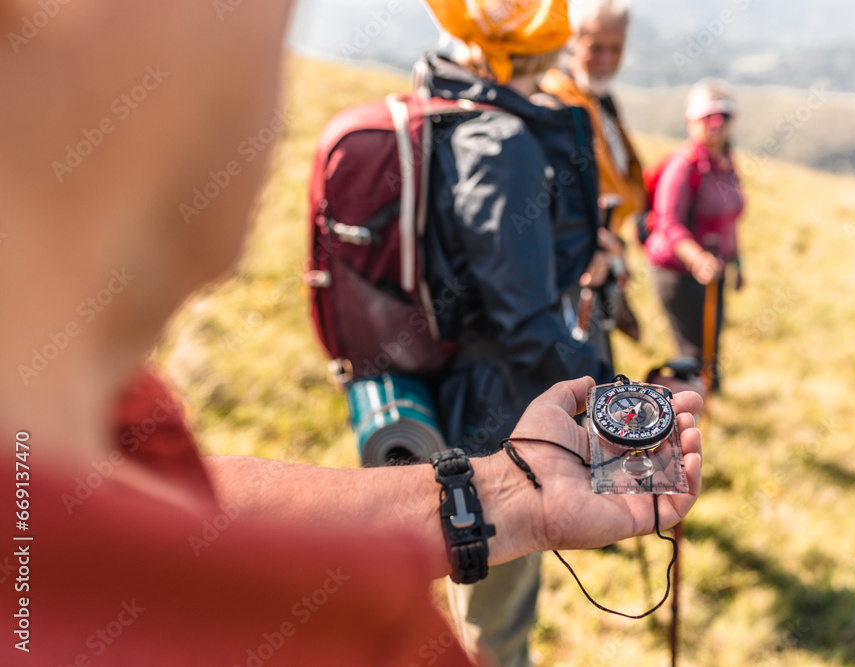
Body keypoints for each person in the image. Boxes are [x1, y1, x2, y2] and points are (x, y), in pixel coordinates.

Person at [0, 0, 703, 665]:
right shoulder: (355, 639)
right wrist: (612, 391)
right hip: (494, 397)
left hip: (443, 405)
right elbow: (522, 315)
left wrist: (510, 497)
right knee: (500, 623)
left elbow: (186, 505)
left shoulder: (104, 438)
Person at [417, 1, 616, 664]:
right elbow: (525, 320)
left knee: (464, 577)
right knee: (496, 608)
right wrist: (609, 392)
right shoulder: (500, 143)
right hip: (492, 411)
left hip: (439, 383)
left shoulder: (441, 109)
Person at [538, 0, 645, 366]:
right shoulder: (553, 102)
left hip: (605, 261)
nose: (606, 60)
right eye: (595, 47)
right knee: (580, 380)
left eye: (615, 48)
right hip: (572, 273)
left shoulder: (602, 102)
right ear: (572, 41)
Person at [644, 79, 746, 391]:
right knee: (691, 350)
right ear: (692, 122)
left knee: (709, 343)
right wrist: (697, 257)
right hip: (678, 272)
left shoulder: (725, 163)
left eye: (724, 116)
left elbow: (728, 220)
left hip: (713, 271)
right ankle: (682, 417)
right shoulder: (683, 165)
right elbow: (668, 221)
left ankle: (704, 399)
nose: (717, 124)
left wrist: (737, 264)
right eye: (708, 116)